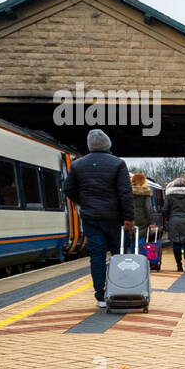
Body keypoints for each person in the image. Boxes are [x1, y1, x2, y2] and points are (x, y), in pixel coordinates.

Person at [62, 129, 135, 307]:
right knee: (119, 254)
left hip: (91, 217)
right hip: (114, 217)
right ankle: (120, 290)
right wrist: (129, 218)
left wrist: (84, 202)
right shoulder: (118, 164)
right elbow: (125, 193)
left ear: (90, 146)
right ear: (108, 144)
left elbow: (68, 189)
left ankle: (100, 295)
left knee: (97, 256)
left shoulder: (78, 165)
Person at [131, 172, 157, 243]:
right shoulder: (145, 192)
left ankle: (133, 253)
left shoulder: (127, 191)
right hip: (142, 220)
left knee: (132, 238)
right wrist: (151, 222)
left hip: (130, 218)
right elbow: (148, 208)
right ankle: (139, 252)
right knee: (140, 238)